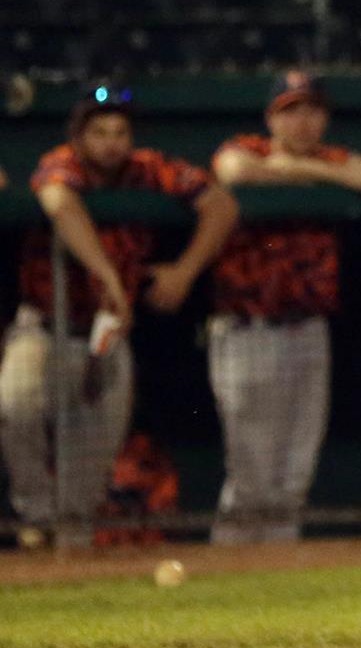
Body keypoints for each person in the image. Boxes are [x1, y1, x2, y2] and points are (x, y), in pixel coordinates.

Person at [0, 81, 238, 548]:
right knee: (14, 409)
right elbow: (60, 203)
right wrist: (106, 275)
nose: (111, 143)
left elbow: (221, 204)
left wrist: (184, 271)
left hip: (107, 333)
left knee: (95, 452)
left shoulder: (147, 167)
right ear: (79, 136)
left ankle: (73, 543)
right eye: (99, 132)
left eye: (119, 132)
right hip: (45, 327)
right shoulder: (62, 163)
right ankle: (37, 515)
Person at [207, 71, 361, 543]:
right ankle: (231, 567)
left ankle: (277, 570)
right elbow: (233, 171)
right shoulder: (248, 149)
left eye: (313, 110)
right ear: (272, 118)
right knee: (251, 476)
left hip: (308, 328)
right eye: (291, 110)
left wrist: (314, 172)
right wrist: (321, 176)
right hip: (248, 329)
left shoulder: (325, 159)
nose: (303, 121)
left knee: (295, 474)